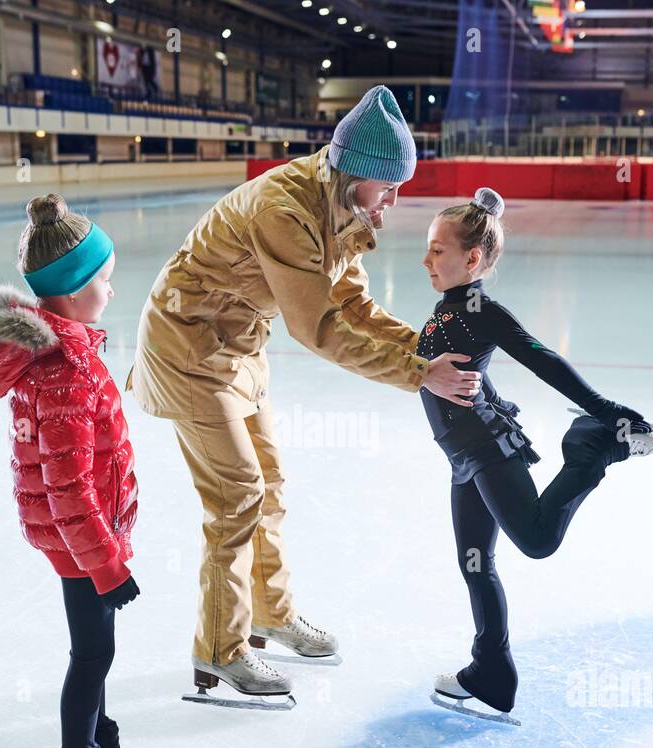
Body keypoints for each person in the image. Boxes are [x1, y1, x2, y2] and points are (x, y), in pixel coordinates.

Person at [127, 85, 481, 706]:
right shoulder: (284, 211)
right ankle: (218, 651)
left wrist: (422, 348)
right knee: (238, 495)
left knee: (270, 482)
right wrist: (417, 374)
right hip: (187, 349)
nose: (394, 202)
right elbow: (320, 327)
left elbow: (352, 304)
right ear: (357, 175)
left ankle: (271, 614)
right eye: (389, 188)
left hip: (236, 346)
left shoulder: (339, 206)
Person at [417, 187, 653, 721]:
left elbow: (541, 358)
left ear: (473, 258)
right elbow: (467, 369)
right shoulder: (449, 306)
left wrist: (608, 412)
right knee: (475, 565)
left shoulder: (481, 307)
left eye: (438, 249)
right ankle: (491, 674)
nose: (426, 259)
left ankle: (592, 446)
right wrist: (491, 395)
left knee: (535, 540)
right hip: (462, 455)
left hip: (486, 449)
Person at [0, 193, 159, 748]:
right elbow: (68, 485)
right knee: (92, 653)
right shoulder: (67, 368)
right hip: (81, 538)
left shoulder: (62, 348)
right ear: (74, 290)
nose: (111, 286)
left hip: (82, 533)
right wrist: (106, 565)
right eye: (103, 278)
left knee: (96, 648)